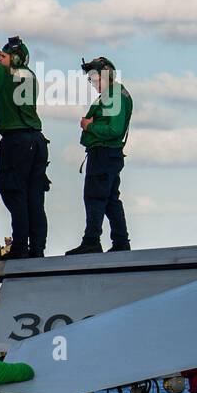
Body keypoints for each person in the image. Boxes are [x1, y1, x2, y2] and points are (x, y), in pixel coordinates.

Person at [0, 37, 48, 259]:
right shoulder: (30, 76)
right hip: (37, 142)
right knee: (35, 198)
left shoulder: (3, 74)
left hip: (16, 141)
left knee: (14, 193)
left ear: (9, 58)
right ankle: (37, 249)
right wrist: (1, 55)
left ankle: (20, 247)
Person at [67, 56, 132, 255]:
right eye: (91, 78)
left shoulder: (113, 96)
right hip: (108, 154)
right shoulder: (112, 95)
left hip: (103, 153)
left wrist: (89, 125)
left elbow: (114, 129)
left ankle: (92, 241)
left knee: (94, 197)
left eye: (95, 77)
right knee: (111, 200)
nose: (93, 82)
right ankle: (120, 242)